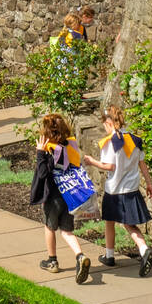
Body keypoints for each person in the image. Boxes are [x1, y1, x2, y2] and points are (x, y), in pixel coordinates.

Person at [81, 106, 152, 277]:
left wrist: (92, 161)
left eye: (105, 125)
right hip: (132, 189)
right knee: (129, 224)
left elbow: (110, 166)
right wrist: (149, 183)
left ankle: (115, 254)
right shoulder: (135, 139)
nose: (104, 129)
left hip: (114, 191)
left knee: (111, 221)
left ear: (109, 123)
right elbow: (142, 164)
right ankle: (138, 250)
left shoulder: (110, 142)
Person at [29, 113, 91, 283]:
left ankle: (52, 261)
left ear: (47, 133)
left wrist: (40, 153)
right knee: (67, 231)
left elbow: (42, 173)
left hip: (53, 197)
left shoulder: (50, 150)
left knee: (50, 227)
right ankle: (80, 255)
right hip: (69, 196)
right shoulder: (69, 145)